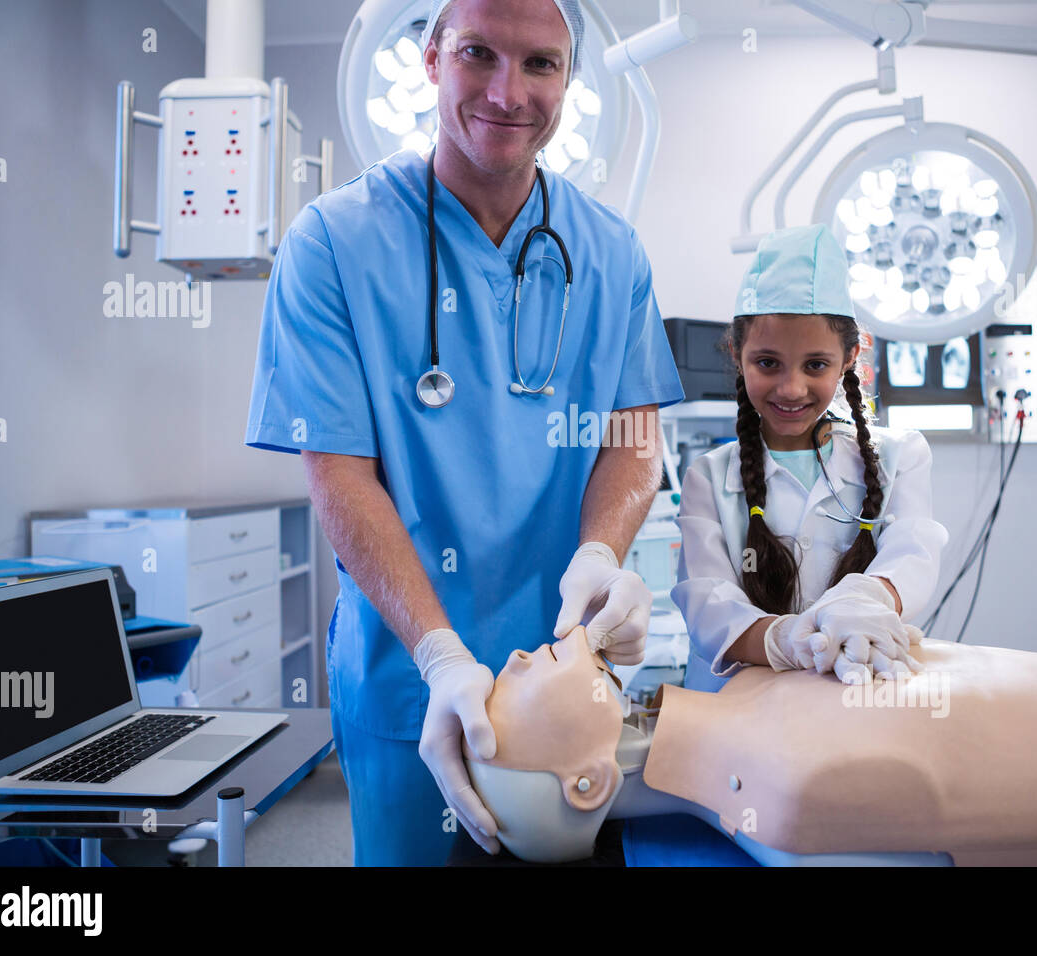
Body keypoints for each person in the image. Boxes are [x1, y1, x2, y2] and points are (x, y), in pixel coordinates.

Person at [243, 0, 685, 865]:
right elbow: (337, 471)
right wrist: (442, 658)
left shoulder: (614, 254)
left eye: (542, 64)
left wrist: (600, 557)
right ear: (431, 60)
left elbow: (632, 438)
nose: (508, 91)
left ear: (571, 78)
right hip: (406, 670)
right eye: (479, 53)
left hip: (562, 670)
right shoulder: (334, 242)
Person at [670, 223, 948, 692]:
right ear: (738, 355)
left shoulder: (901, 457)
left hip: (853, 708)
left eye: (815, 365)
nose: (791, 388)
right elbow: (707, 603)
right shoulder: (707, 478)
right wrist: (787, 641)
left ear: (849, 358)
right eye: (768, 363)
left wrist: (866, 597)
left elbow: (913, 553)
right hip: (736, 717)